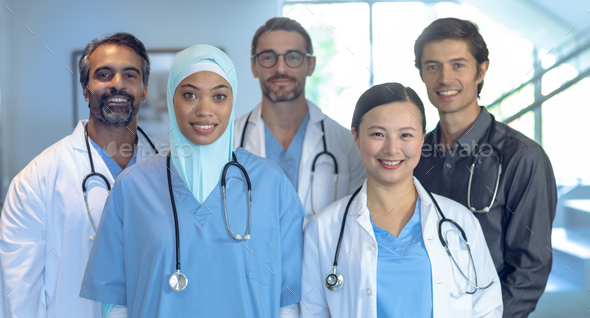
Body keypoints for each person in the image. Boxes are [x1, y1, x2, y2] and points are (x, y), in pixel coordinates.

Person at [80, 45, 304, 318]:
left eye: (219, 96)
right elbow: (114, 301)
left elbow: (288, 302)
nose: (204, 110)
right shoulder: (132, 187)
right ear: (171, 99)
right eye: (190, 95)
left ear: (233, 101)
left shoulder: (272, 184)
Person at [300, 83, 502, 318]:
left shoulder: (459, 222)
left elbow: (487, 308)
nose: (392, 148)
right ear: (355, 136)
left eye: (405, 135)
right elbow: (311, 311)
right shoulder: (324, 228)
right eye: (378, 134)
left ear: (423, 139)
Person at [0, 32, 158, 318]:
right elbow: (19, 291)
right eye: (104, 74)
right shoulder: (36, 179)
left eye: (130, 75)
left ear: (144, 90)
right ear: (86, 90)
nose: (118, 84)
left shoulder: (169, 173)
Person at [412, 18, 557, 317]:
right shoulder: (413, 156)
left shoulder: (522, 157)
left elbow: (529, 270)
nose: (444, 78)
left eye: (458, 65)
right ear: (422, 74)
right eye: (433, 66)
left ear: (481, 70)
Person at [235, 17, 365, 226]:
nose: (281, 69)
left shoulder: (348, 144)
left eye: (293, 57)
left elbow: (356, 222)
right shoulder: (229, 141)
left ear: (310, 65)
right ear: (253, 66)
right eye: (268, 57)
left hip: (322, 260)